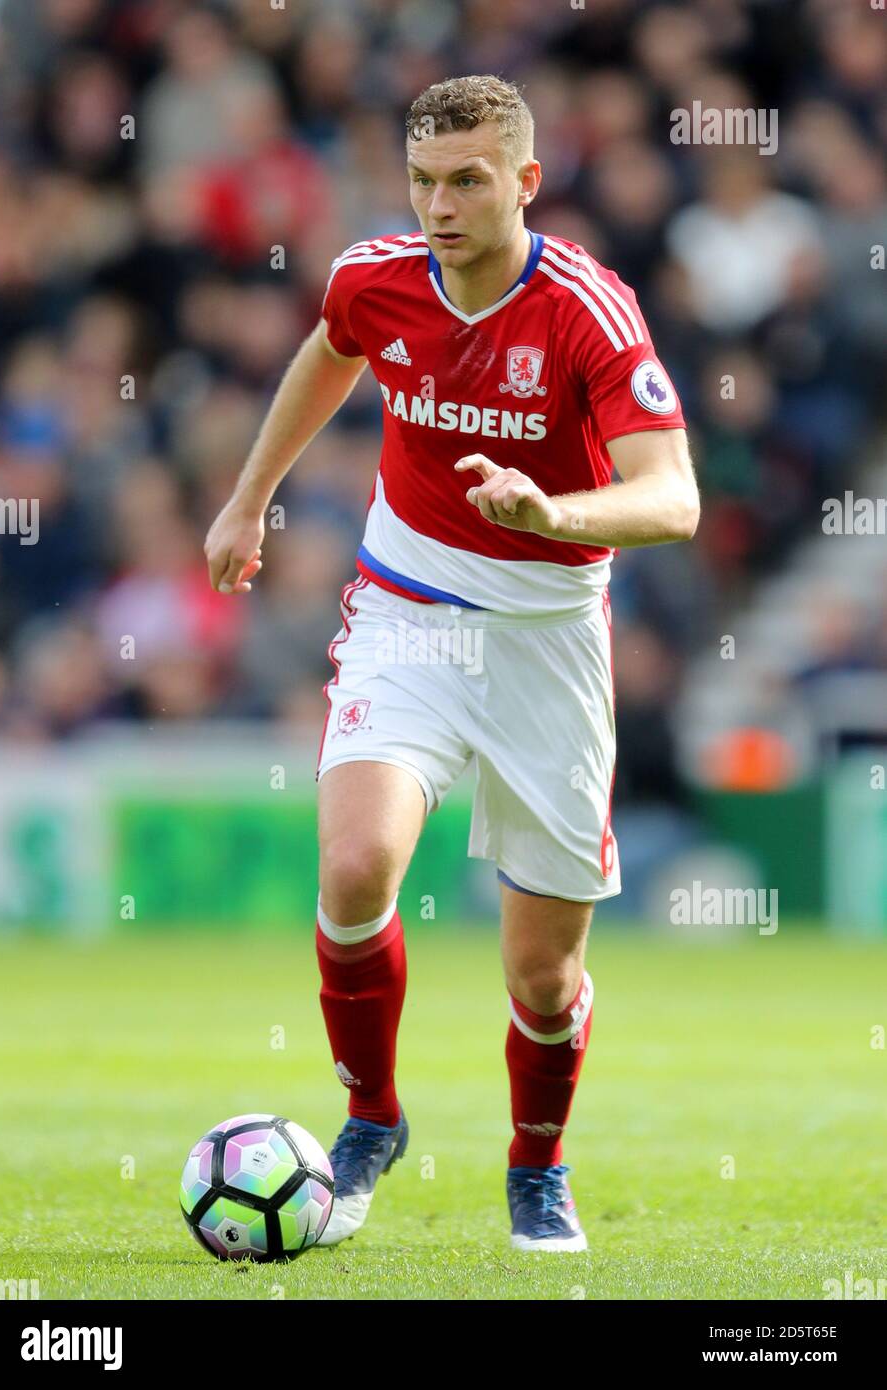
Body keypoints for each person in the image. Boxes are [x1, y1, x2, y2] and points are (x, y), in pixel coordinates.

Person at [204, 75, 699, 1253]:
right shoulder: (373, 277)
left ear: (524, 181)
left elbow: (672, 497)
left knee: (541, 977)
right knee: (359, 862)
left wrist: (550, 513)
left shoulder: (587, 309)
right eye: (423, 181)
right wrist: (248, 499)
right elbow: (332, 353)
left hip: (548, 638)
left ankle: (537, 1165)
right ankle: (370, 1115)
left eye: (468, 180)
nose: (440, 205)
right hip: (406, 611)